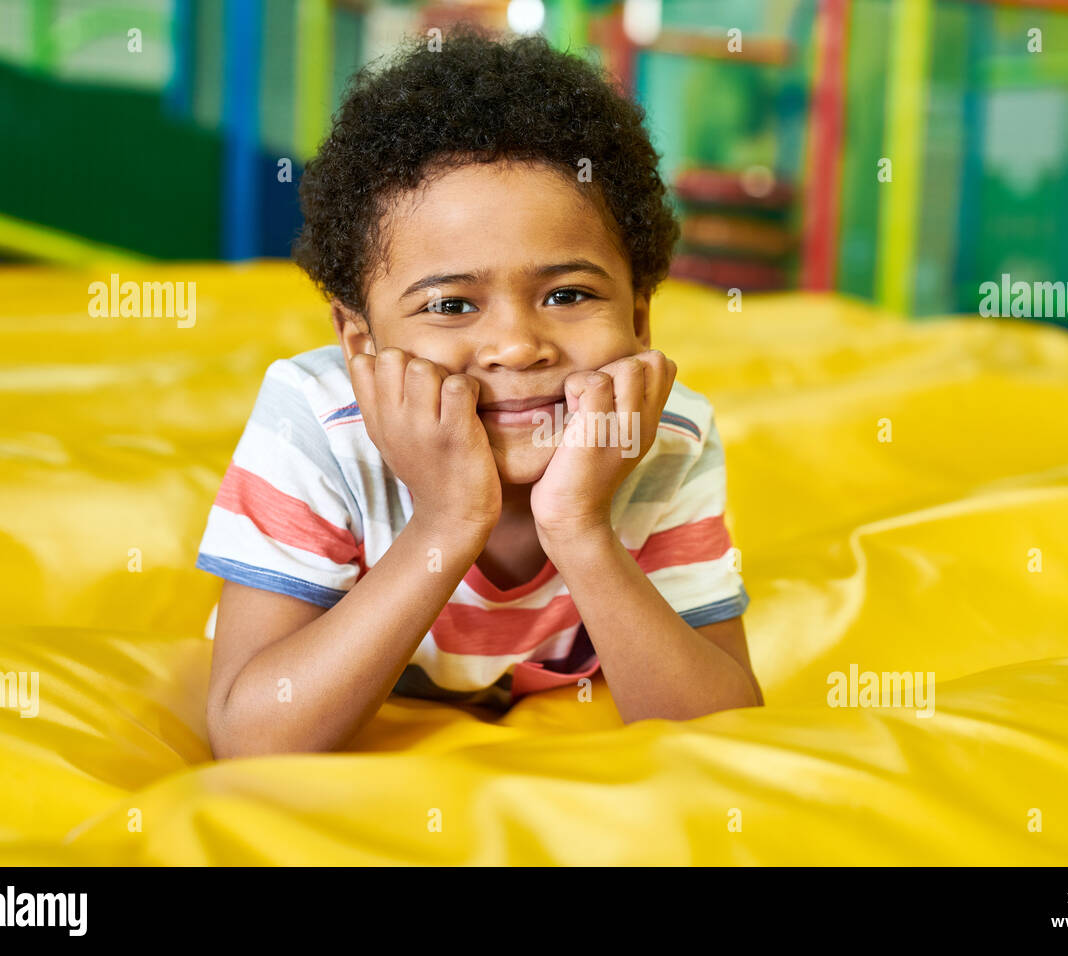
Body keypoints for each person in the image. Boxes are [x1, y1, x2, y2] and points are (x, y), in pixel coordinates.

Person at [196, 24, 760, 757]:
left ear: (640, 316)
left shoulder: (660, 433)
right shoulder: (317, 423)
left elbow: (725, 736)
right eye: (451, 305)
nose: (519, 346)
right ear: (361, 341)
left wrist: (581, 530)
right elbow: (253, 740)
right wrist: (448, 520)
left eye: (567, 294)